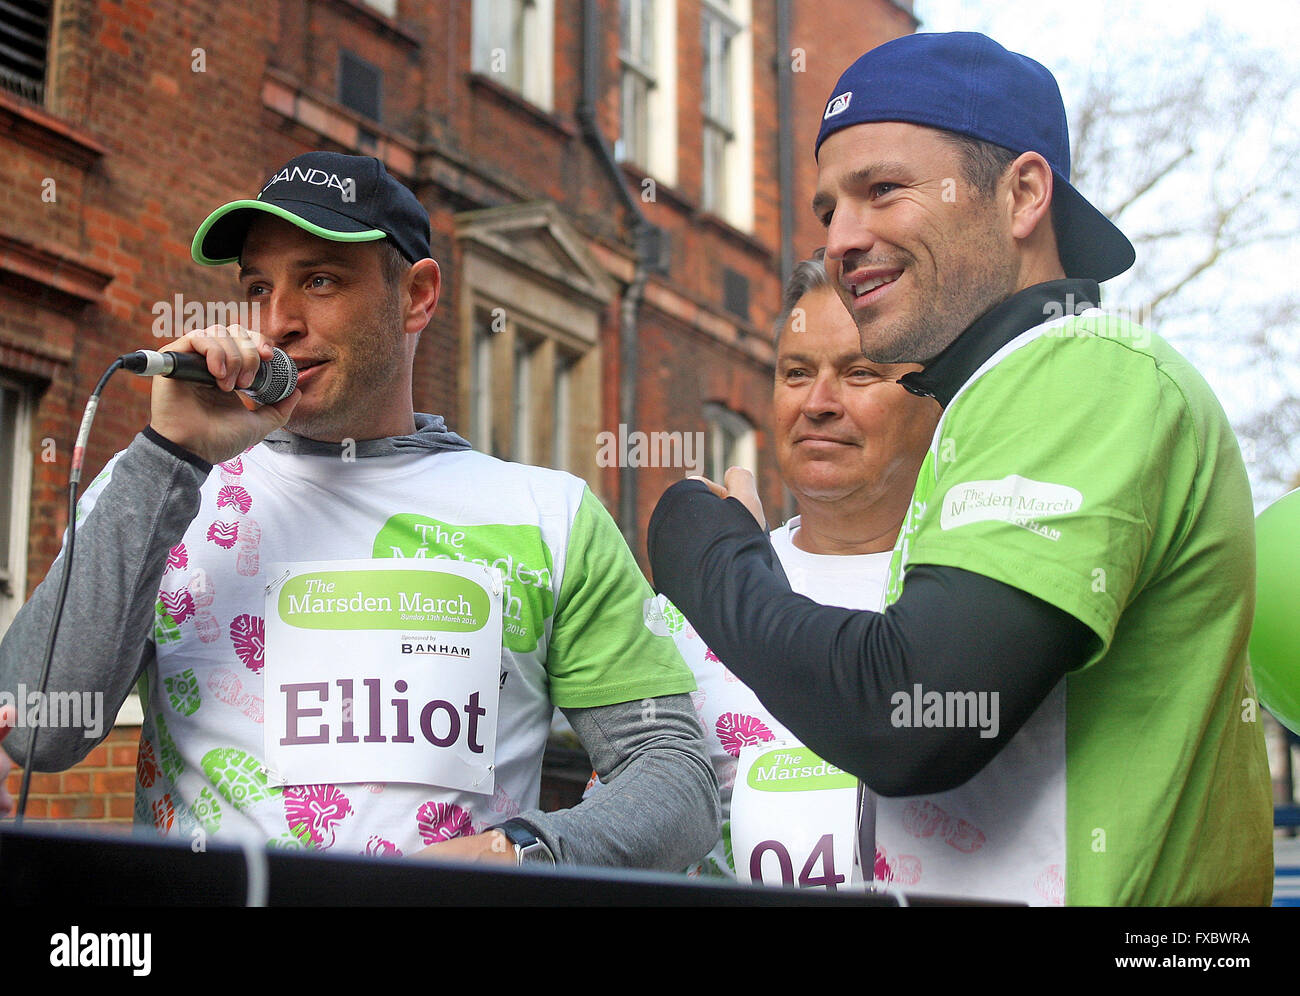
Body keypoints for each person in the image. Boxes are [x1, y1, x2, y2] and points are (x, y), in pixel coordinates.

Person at [647, 32, 1273, 904]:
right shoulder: (996, 398)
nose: (842, 239)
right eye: (830, 209)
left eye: (885, 191)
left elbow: (907, 717)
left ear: (1021, 194)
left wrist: (710, 557)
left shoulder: (1084, 368)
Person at [0, 151, 719, 868]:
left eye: (320, 280)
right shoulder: (161, 487)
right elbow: (35, 731)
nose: (277, 321)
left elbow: (675, 779)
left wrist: (521, 853)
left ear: (417, 296)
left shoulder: (548, 515)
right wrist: (170, 454)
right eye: (257, 286)